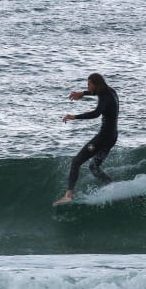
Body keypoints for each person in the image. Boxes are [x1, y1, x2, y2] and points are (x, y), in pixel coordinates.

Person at [54, 73, 119, 205]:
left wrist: (74, 117)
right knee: (94, 167)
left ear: (96, 84)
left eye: (89, 84)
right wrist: (83, 93)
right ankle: (114, 188)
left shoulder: (104, 96)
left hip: (103, 138)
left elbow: (96, 113)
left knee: (76, 161)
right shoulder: (111, 91)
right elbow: (97, 93)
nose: (87, 87)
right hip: (112, 137)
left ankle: (68, 195)